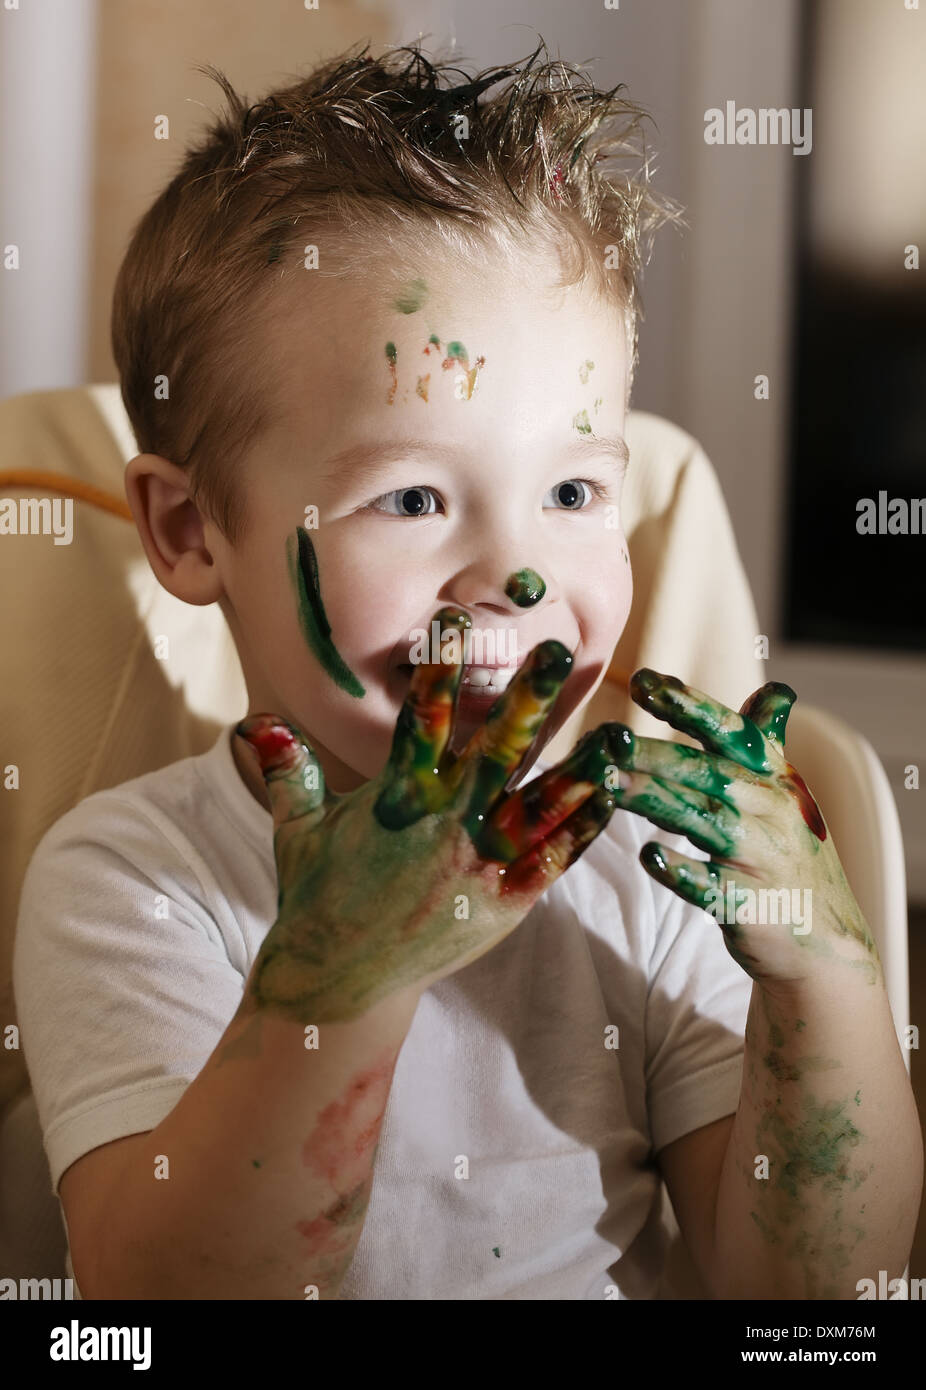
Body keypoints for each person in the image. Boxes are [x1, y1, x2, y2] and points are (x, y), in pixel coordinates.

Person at [13, 38, 920, 1301]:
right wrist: (338, 981)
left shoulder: (646, 878)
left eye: (570, 490)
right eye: (414, 494)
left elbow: (807, 1299)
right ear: (187, 531)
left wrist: (821, 973)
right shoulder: (136, 885)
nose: (519, 573)